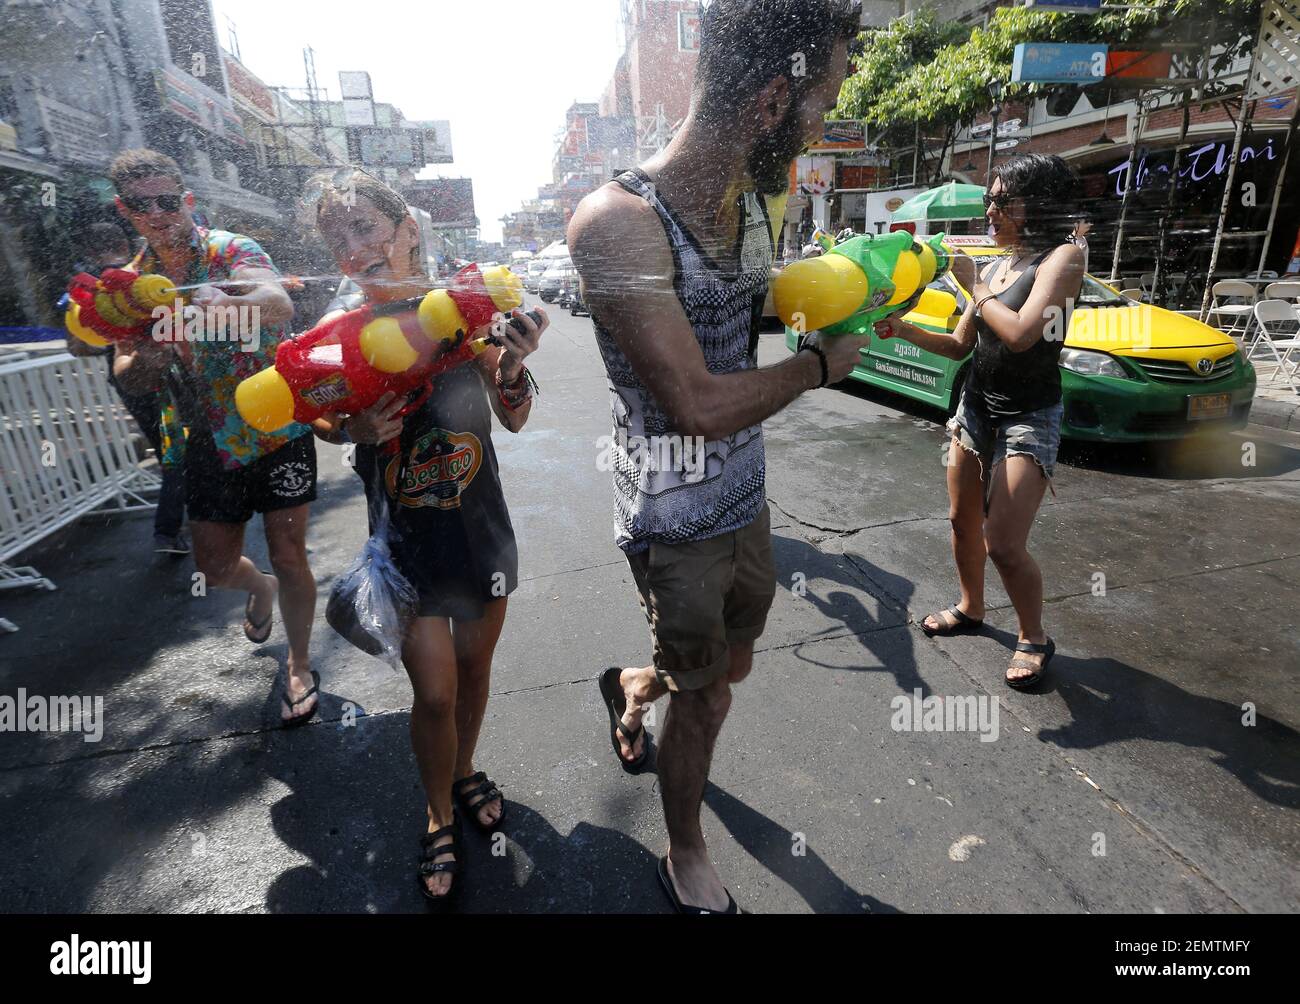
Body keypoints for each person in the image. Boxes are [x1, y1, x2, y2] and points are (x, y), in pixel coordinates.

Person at [568, 0, 865, 914]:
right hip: (675, 519)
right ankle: (685, 849)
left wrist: (868, 291)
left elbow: (745, 318)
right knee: (707, 698)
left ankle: (633, 682)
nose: (826, 121)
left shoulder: (749, 204)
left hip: (748, 499)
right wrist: (820, 366)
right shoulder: (616, 222)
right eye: (826, 98)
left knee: (726, 668)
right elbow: (694, 402)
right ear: (774, 96)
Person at [306, 169, 546, 906]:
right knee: (434, 694)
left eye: (366, 227)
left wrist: (512, 366)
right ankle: (439, 811)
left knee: (474, 678)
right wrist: (348, 427)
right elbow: (311, 410)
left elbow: (513, 414)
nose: (355, 248)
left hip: (481, 531)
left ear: (408, 228)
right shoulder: (336, 330)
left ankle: (464, 769)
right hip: (404, 544)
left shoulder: (464, 309)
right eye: (338, 236)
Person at [107, 149, 320, 724]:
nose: (156, 213)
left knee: (289, 551)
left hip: (276, 423)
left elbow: (276, 303)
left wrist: (223, 306)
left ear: (188, 201)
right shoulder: (130, 285)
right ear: (125, 211)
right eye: (141, 204)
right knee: (215, 568)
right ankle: (261, 590)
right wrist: (147, 351)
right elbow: (128, 369)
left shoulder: (230, 250)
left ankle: (299, 664)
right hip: (206, 435)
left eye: (167, 201)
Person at [873, 153, 1085, 690]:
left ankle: (1034, 636)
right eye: (988, 198)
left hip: (1029, 417)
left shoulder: (1063, 258)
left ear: (1036, 204)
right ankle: (971, 607)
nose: (989, 209)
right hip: (975, 408)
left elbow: (1019, 334)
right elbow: (960, 344)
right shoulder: (994, 266)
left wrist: (975, 288)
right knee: (961, 521)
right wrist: (901, 330)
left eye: (1001, 200)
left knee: (1004, 543)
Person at [63, 222, 189, 555]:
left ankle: (175, 523)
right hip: (159, 379)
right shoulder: (138, 280)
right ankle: (169, 529)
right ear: (122, 240)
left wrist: (113, 339)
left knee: (171, 452)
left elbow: (77, 345)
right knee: (178, 452)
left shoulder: (93, 287)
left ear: (89, 250)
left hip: (130, 383)